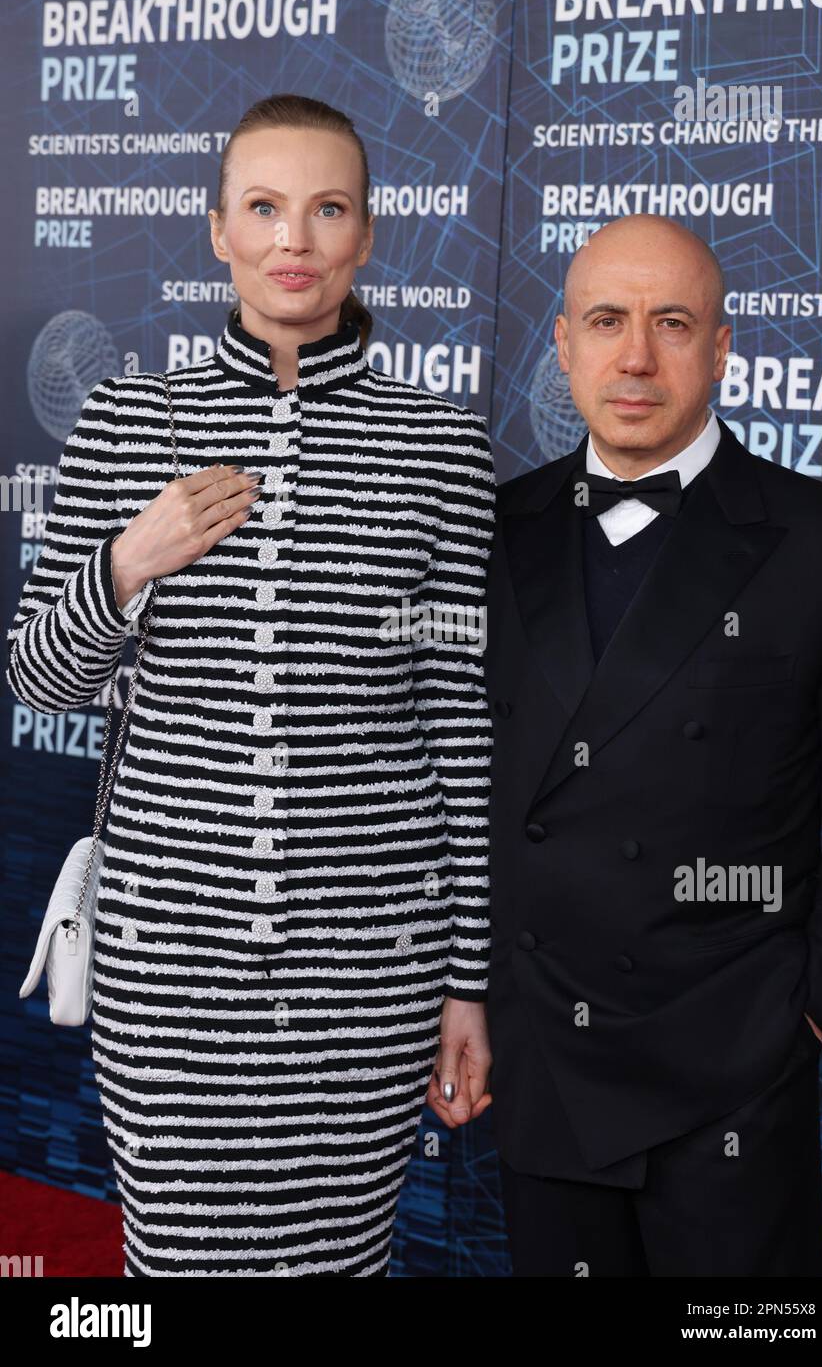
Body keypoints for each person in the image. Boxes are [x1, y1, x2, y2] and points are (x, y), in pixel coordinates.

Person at [7, 93, 494, 1277]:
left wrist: (465, 983)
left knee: (342, 1261)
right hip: (167, 972)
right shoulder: (128, 418)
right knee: (172, 1263)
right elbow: (40, 674)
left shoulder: (443, 449)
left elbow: (458, 728)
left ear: (366, 235)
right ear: (217, 229)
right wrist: (131, 560)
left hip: (365, 975)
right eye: (265, 208)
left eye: (327, 210)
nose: (295, 240)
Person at [483, 213, 822, 1276]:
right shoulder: (500, 529)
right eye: (605, 321)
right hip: (546, 1064)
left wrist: (815, 1003)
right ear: (559, 344)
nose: (636, 356)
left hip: (730, 1071)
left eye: (672, 323)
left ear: (722, 347)